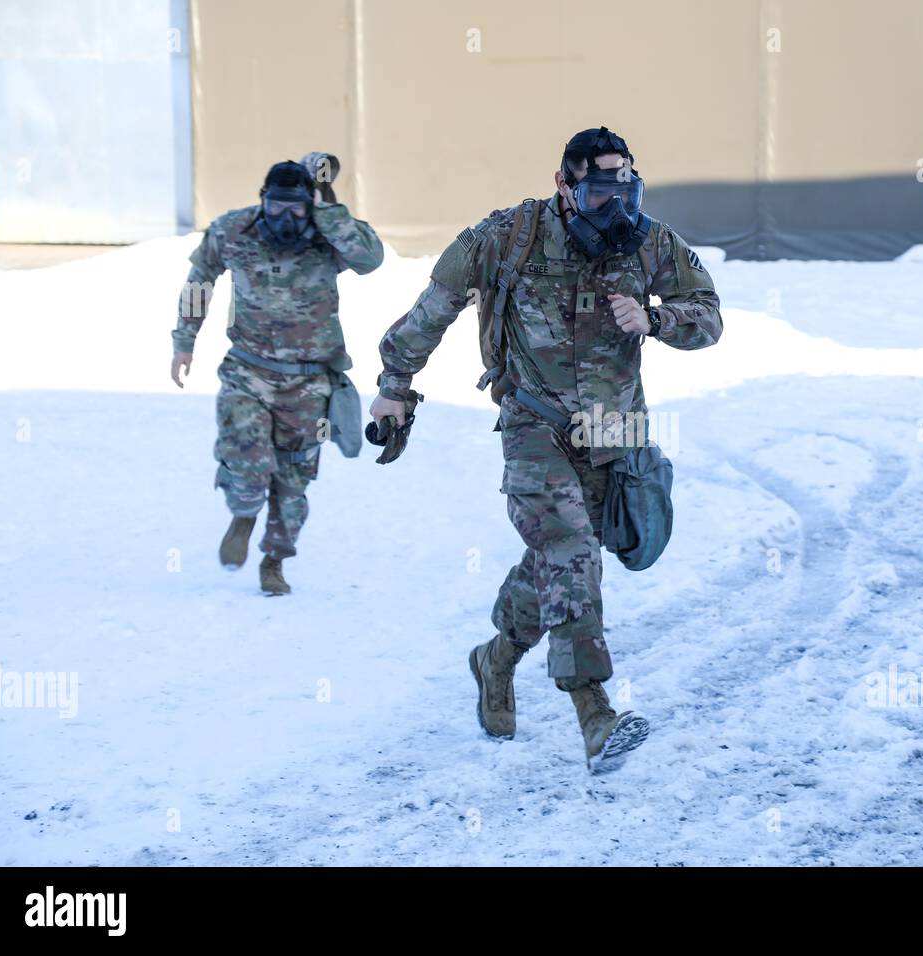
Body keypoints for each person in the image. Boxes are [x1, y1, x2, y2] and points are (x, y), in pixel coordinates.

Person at [370, 127, 722, 768]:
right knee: (569, 549)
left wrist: (659, 319)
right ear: (562, 184)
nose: (613, 204)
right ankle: (596, 714)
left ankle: (495, 659)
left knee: (564, 563)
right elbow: (434, 308)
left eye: (625, 187)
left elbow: (709, 316)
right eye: (596, 191)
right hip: (535, 422)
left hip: (614, 429)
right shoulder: (506, 237)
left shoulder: (649, 241)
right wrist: (395, 386)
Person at [170, 153, 384, 594]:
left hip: (309, 380)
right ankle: (244, 513)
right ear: (262, 200)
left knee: (294, 479)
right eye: (275, 205)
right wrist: (184, 341)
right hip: (248, 370)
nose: (284, 217)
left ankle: (274, 562)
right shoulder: (235, 230)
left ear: (309, 205)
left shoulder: (328, 236)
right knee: (245, 451)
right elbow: (199, 279)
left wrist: (324, 206)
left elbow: (370, 258)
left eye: (296, 207)